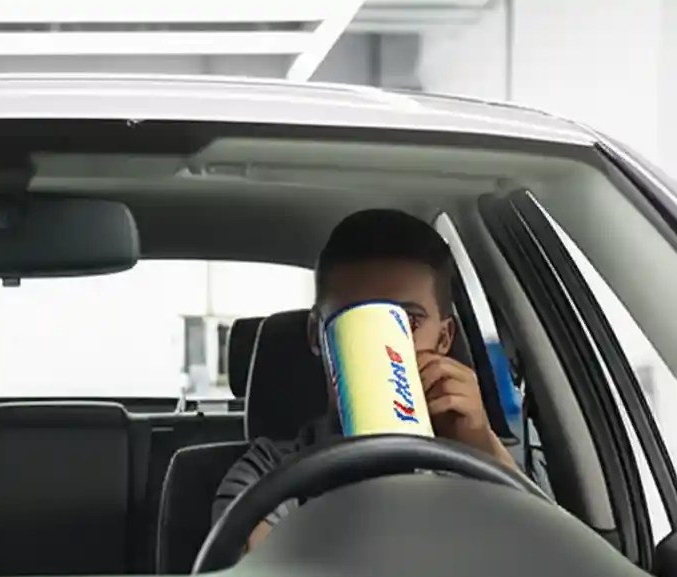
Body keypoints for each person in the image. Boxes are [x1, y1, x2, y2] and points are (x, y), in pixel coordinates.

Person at [211, 208, 520, 551]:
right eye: (353, 320)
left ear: (444, 339)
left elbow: (556, 561)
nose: (380, 344)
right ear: (318, 336)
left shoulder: (477, 462)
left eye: (408, 321)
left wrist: (483, 447)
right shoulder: (269, 472)